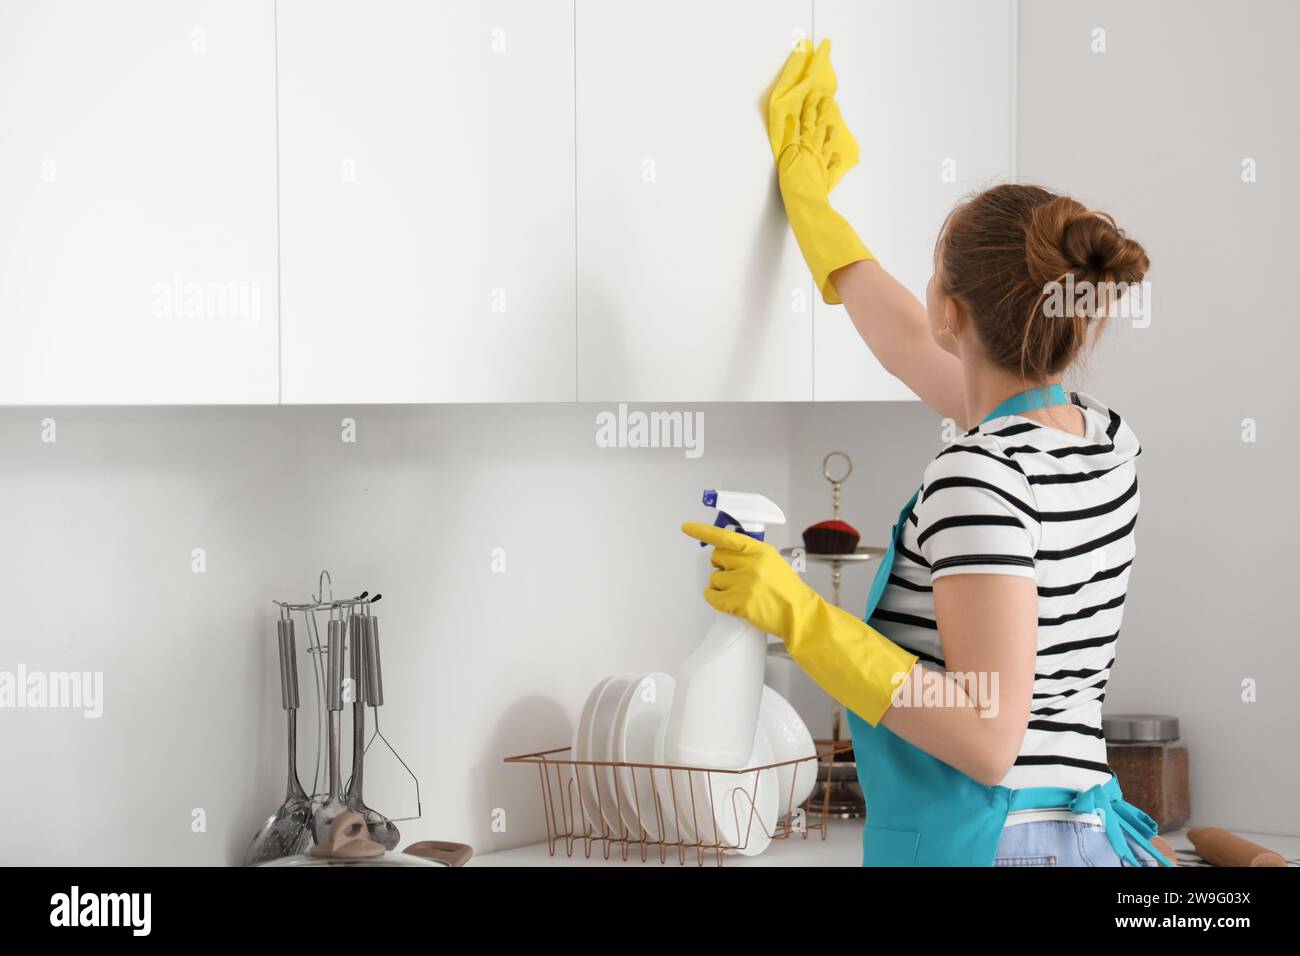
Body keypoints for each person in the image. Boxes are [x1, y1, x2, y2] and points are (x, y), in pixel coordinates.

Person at [683, 39, 1166, 866]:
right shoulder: (1104, 441)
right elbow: (906, 339)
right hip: (1072, 835)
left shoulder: (979, 478)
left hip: (996, 843)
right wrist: (810, 201)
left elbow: (986, 737)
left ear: (955, 309)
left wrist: (801, 618)